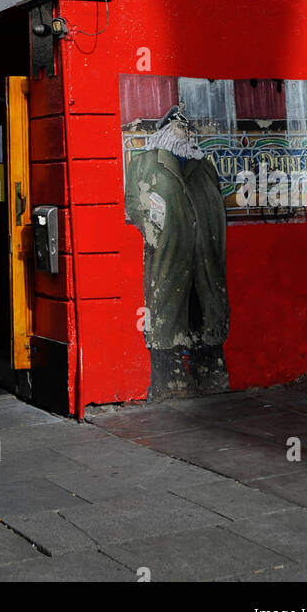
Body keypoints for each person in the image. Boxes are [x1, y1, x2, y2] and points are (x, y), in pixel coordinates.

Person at [125, 103, 230, 398]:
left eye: (188, 127)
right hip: (170, 258)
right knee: (168, 323)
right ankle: (168, 385)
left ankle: (210, 378)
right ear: (167, 131)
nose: (186, 132)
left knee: (205, 318)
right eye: (179, 126)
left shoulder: (204, 165)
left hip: (205, 259)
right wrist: (154, 235)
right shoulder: (145, 162)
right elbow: (134, 202)